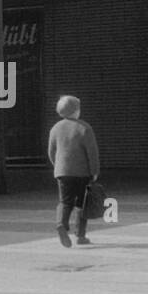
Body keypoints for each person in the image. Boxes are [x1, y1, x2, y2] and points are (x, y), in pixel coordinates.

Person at [48, 94, 100, 248]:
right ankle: (80, 235)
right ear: (76, 111)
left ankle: (61, 224)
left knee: (65, 201)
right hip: (82, 172)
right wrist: (95, 170)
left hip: (62, 173)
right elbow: (92, 152)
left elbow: (51, 151)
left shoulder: (55, 128)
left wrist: (58, 166)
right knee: (82, 204)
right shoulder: (84, 127)